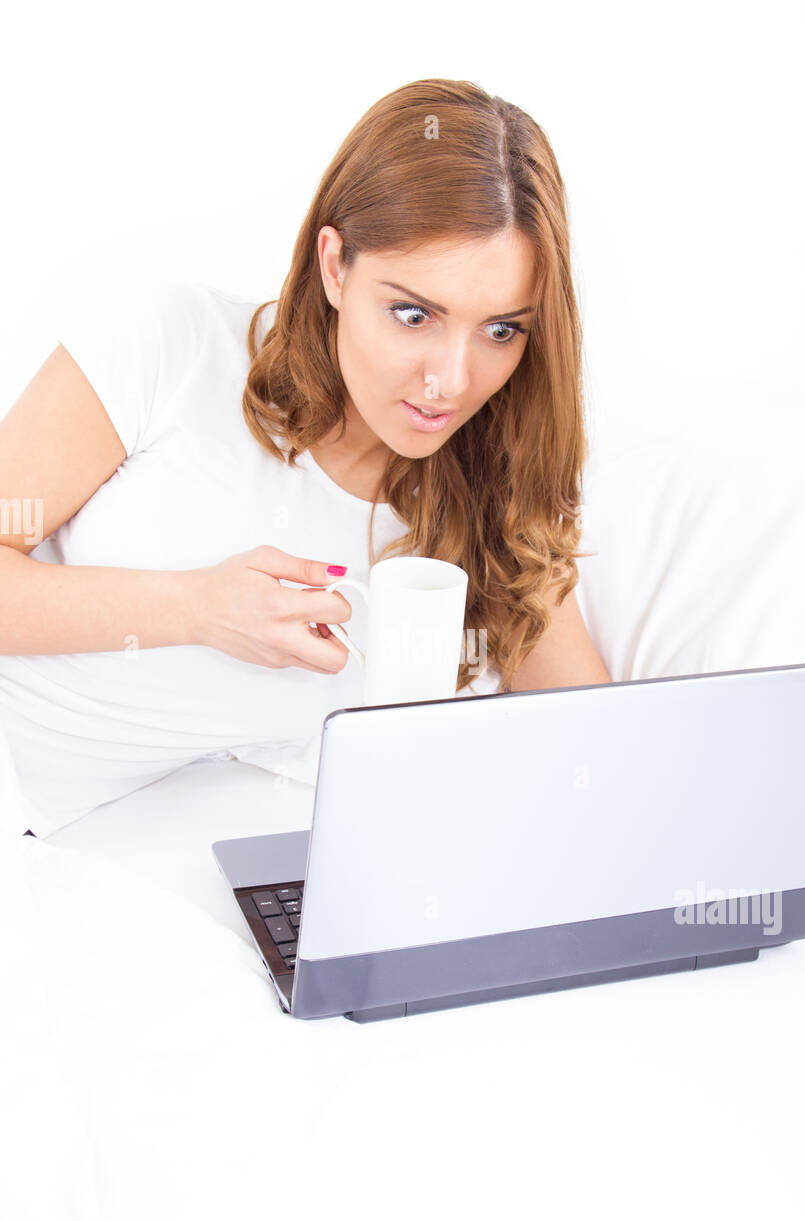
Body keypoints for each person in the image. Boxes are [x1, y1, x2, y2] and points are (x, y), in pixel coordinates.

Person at [0, 77, 610, 839]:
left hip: (106, 849)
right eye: (414, 314)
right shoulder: (172, 346)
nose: (451, 381)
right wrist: (197, 608)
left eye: (501, 332)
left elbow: (599, 745)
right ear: (334, 264)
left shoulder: (494, 490)